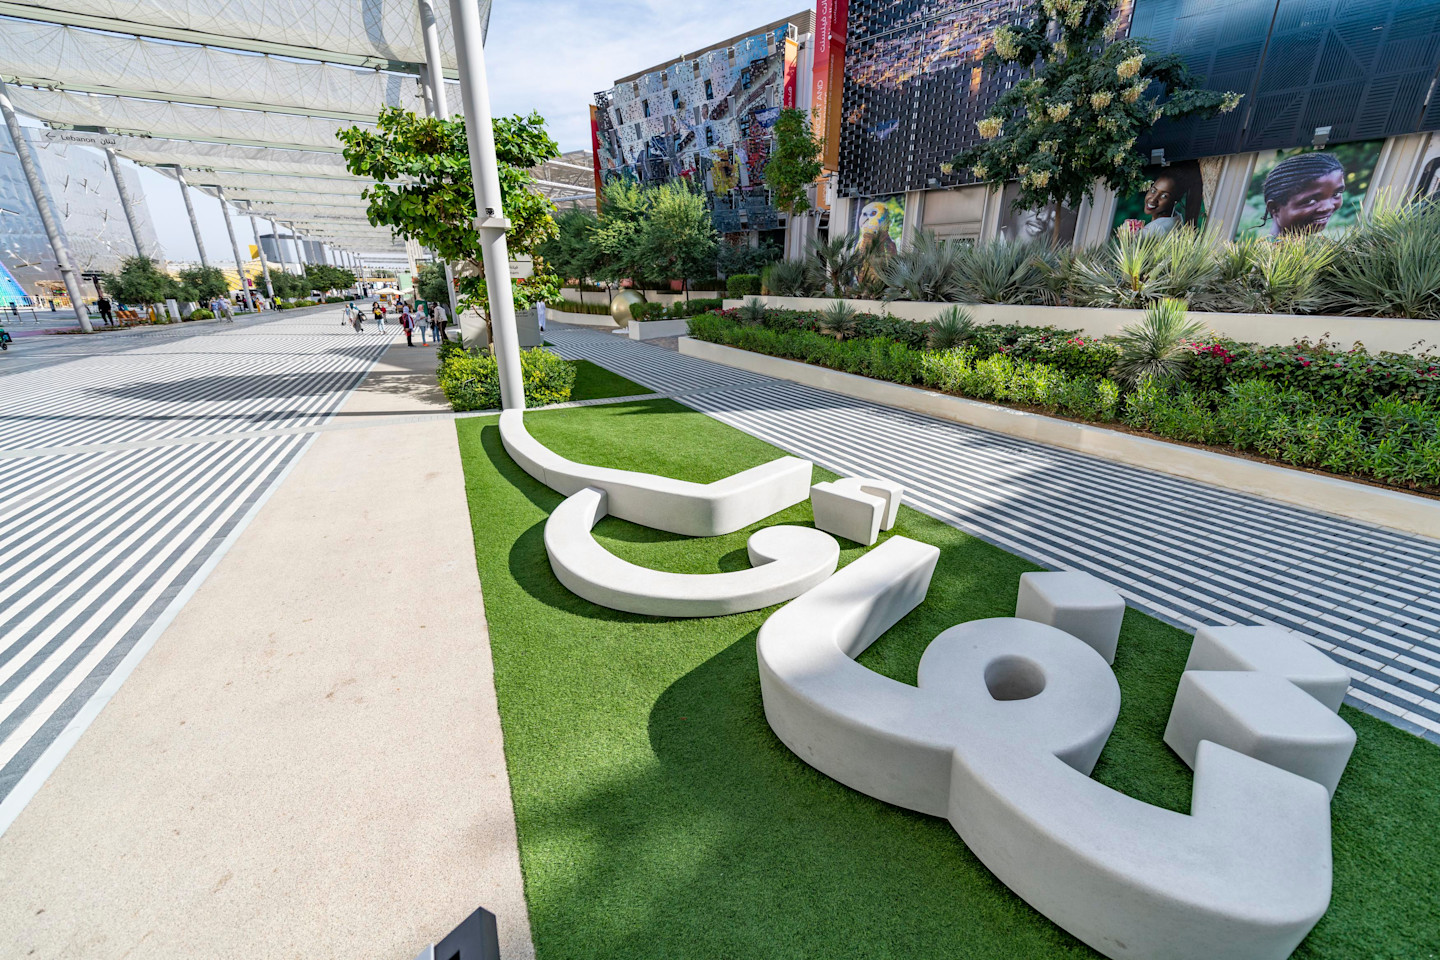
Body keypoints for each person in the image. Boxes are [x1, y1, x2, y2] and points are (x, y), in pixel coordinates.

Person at [1261, 152, 1346, 237]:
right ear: (1274, 208)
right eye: (1310, 201)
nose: (1328, 207)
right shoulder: (1270, 249)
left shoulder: (1318, 244)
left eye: (1336, 194)